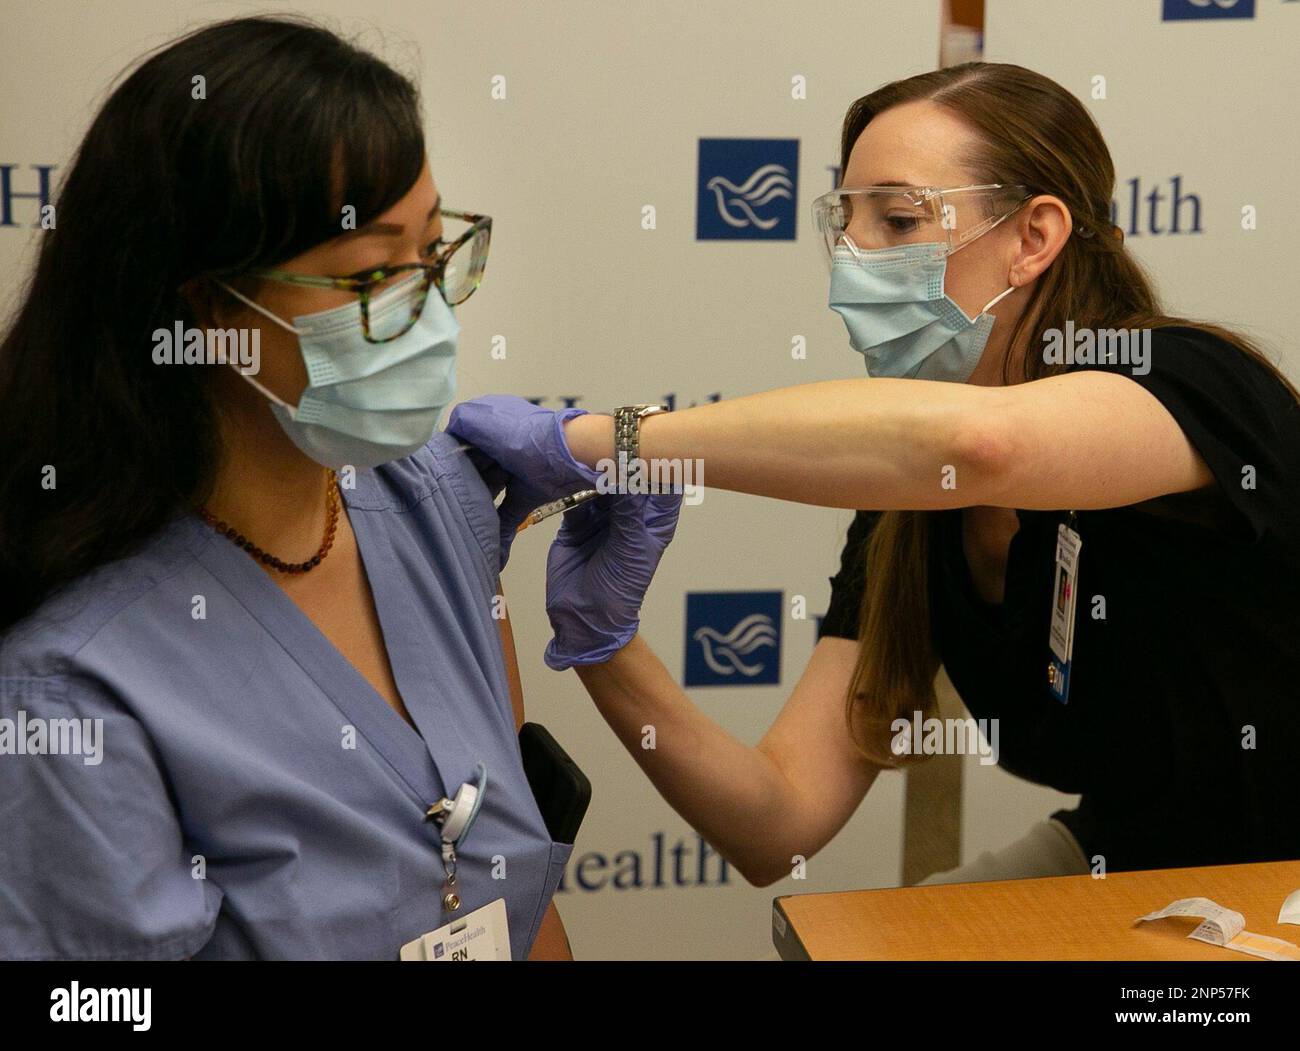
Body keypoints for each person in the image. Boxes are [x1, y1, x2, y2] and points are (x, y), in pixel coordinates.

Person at [448, 62, 1300, 886]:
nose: (853, 261)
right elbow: (776, 827)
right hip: (1140, 853)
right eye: (845, 222)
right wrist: (605, 645)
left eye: (897, 221)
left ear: (1034, 238)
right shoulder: (914, 510)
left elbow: (984, 447)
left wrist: (614, 440)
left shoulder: (1182, 380)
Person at [0, 16, 591, 959]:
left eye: (435, 255)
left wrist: (629, 449)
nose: (428, 307)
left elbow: (511, 897)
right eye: (372, 275)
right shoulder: (73, 690)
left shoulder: (428, 502)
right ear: (207, 307)